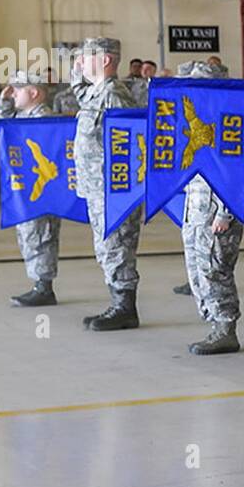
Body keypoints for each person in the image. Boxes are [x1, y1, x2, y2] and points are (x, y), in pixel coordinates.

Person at [171, 61, 244, 354]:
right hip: (195, 208)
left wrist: (225, 213)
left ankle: (225, 327)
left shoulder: (226, 122)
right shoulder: (196, 116)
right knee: (197, 269)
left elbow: (232, 172)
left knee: (216, 269)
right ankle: (212, 323)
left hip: (217, 211)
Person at [73, 37, 142, 331]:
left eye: (86, 57)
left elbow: (128, 146)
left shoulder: (114, 95)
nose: (80, 63)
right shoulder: (95, 93)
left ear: (104, 60)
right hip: (96, 187)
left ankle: (125, 308)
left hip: (113, 190)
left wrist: (120, 193)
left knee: (116, 246)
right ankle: (118, 302)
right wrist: (77, 67)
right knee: (106, 247)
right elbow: (78, 90)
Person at [0, 71, 62, 307]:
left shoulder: (43, 118)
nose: (12, 93)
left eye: (18, 89)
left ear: (33, 93)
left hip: (41, 191)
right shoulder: (25, 115)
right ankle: (38, 283)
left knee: (40, 235)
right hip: (27, 188)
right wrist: (4, 100)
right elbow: (6, 123)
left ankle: (44, 286)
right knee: (29, 235)